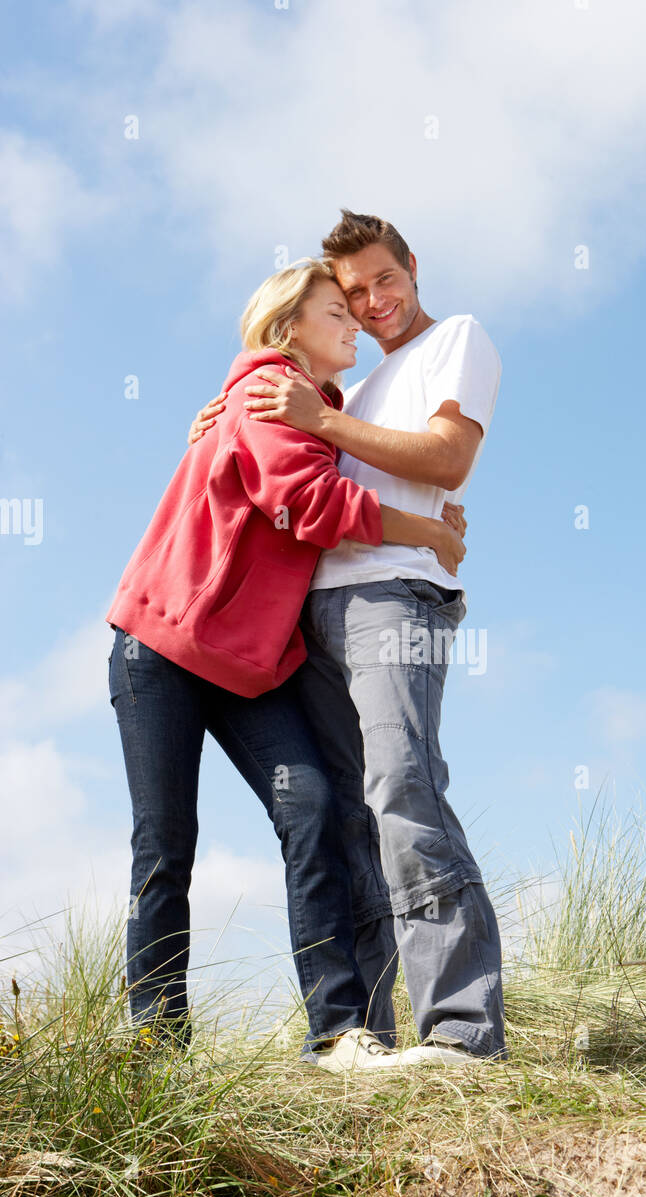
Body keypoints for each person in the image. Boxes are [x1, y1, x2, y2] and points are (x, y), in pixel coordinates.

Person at [107, 257, 466, 1074]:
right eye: (335, 310)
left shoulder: (312, 409)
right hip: (161, 650)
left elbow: (325, 477)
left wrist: (424, 508)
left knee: (308, 808)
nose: (353, 322)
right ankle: (153, 1049)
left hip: (246, 667)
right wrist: (429, 531)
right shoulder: (267, 389)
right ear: (287, 325)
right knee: (166, 845)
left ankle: (339, 1034)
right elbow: (308, 505)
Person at [188, 212, 507, 1065]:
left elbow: (445, 459)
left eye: (384, 280)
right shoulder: (349, 388)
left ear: (413, 266)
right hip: (314, 611)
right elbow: (291, 478)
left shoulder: (458, 342)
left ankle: (464, 1032)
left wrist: (321, 424)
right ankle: (366, 1036)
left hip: (395, 598)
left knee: (404, 786)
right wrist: (222, 423)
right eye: (354, 294)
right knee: (351, 819)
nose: (372, 303)